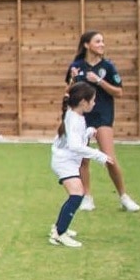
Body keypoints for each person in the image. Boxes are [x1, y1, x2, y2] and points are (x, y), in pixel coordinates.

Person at [65, 31, 138, 213]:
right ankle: (87, 197)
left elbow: (119, 92)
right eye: (98, 41)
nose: (102, 44)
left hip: (103, 116)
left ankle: (123, 196)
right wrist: (73, 80)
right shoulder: (76, 66)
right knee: (83, 160)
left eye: (103, 41)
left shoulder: (108, 67)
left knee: (109, 158)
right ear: (87, 45)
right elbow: (68, 92)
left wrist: (98, 81)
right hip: (82, 118)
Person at [48, 81, 113, 248]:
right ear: (83, 102)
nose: (94, 103)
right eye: (92, 100)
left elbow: (75, 138)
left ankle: (59, 228)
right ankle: (60, 234)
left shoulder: (74, 116)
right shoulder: (74, 118)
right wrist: (100, 155)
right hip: (64, 162)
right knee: (77, 194)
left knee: (78, 194)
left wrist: (88, 132)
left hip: (65, 160)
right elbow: (75, 146)